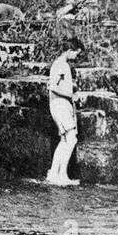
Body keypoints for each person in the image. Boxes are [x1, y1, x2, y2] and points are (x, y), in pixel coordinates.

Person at [46, 36, 85, 186]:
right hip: (60, 104)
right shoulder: (61, 65)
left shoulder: (60, 65)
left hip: (60, 104)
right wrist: (71, 94)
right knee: (71, 139)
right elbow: (54, 86)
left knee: (65, 140)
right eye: (76, 53)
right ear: (69, 51)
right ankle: (61, 175)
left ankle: (53, 173)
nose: (76, 56)